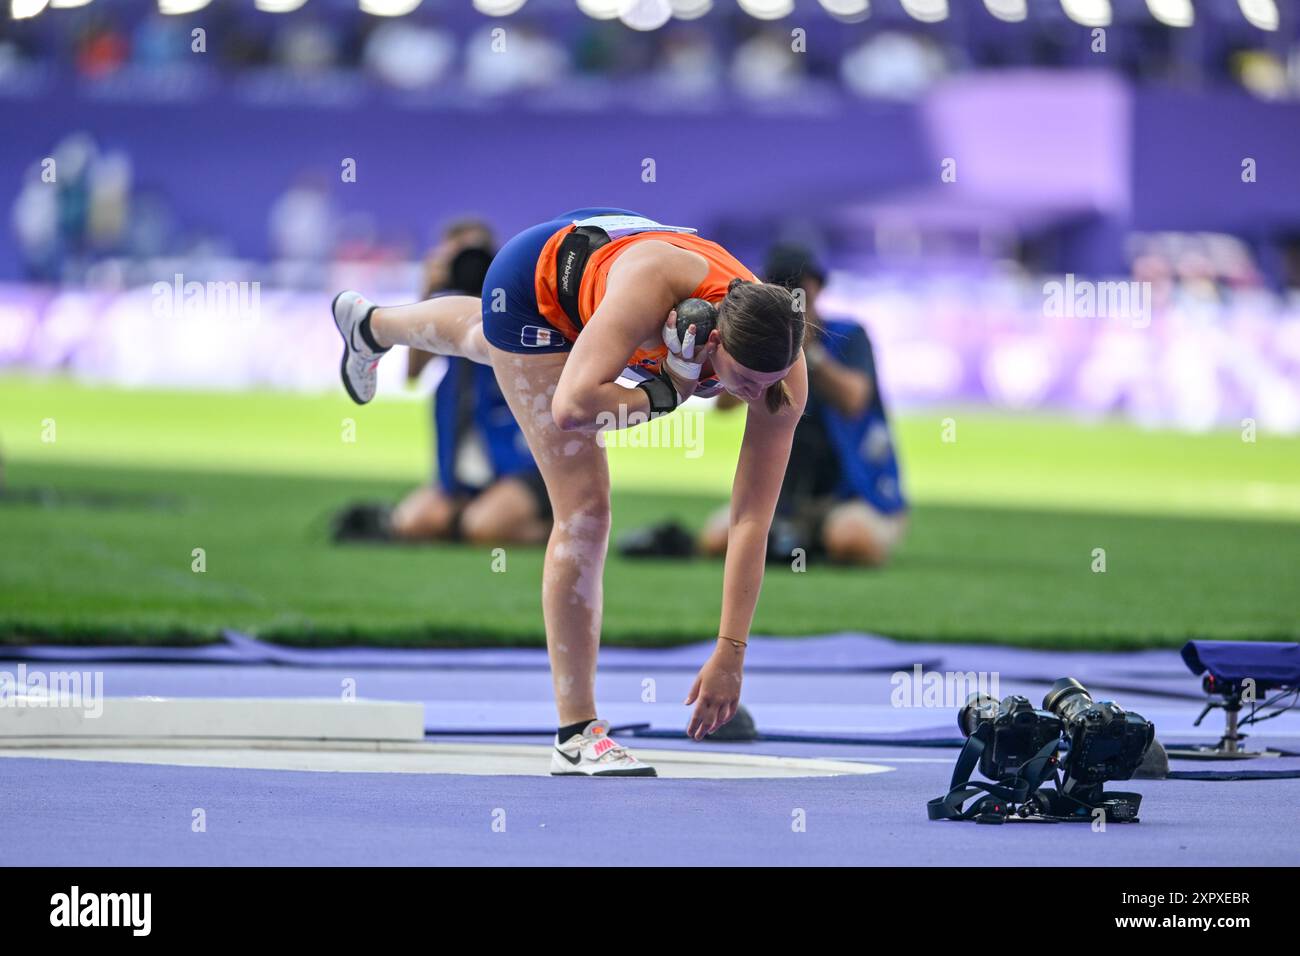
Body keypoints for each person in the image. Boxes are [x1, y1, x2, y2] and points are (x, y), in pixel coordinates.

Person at [329, 208, 807, 776]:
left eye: (768, 384)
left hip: (607, 266)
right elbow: (575, 407)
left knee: (486, 342)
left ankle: (370, 326)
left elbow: (750, 518)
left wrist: (731, 651)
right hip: (539, 275)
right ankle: (576, 733)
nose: (757, 398)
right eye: (745, 382)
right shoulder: (654, 289)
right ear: (716, 339)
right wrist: (669, 392)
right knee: (585, 510)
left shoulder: (781, 377)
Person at [702, 243, 908, 565]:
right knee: (717, 539)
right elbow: (724, 406)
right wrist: (755, 353)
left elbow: (853, 400)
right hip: (785, 496)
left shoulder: (848, 335)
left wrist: (804, 348)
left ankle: (808, 540)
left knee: (851, 540)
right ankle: (796, 540)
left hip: (850, 491)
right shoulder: (762, 344)